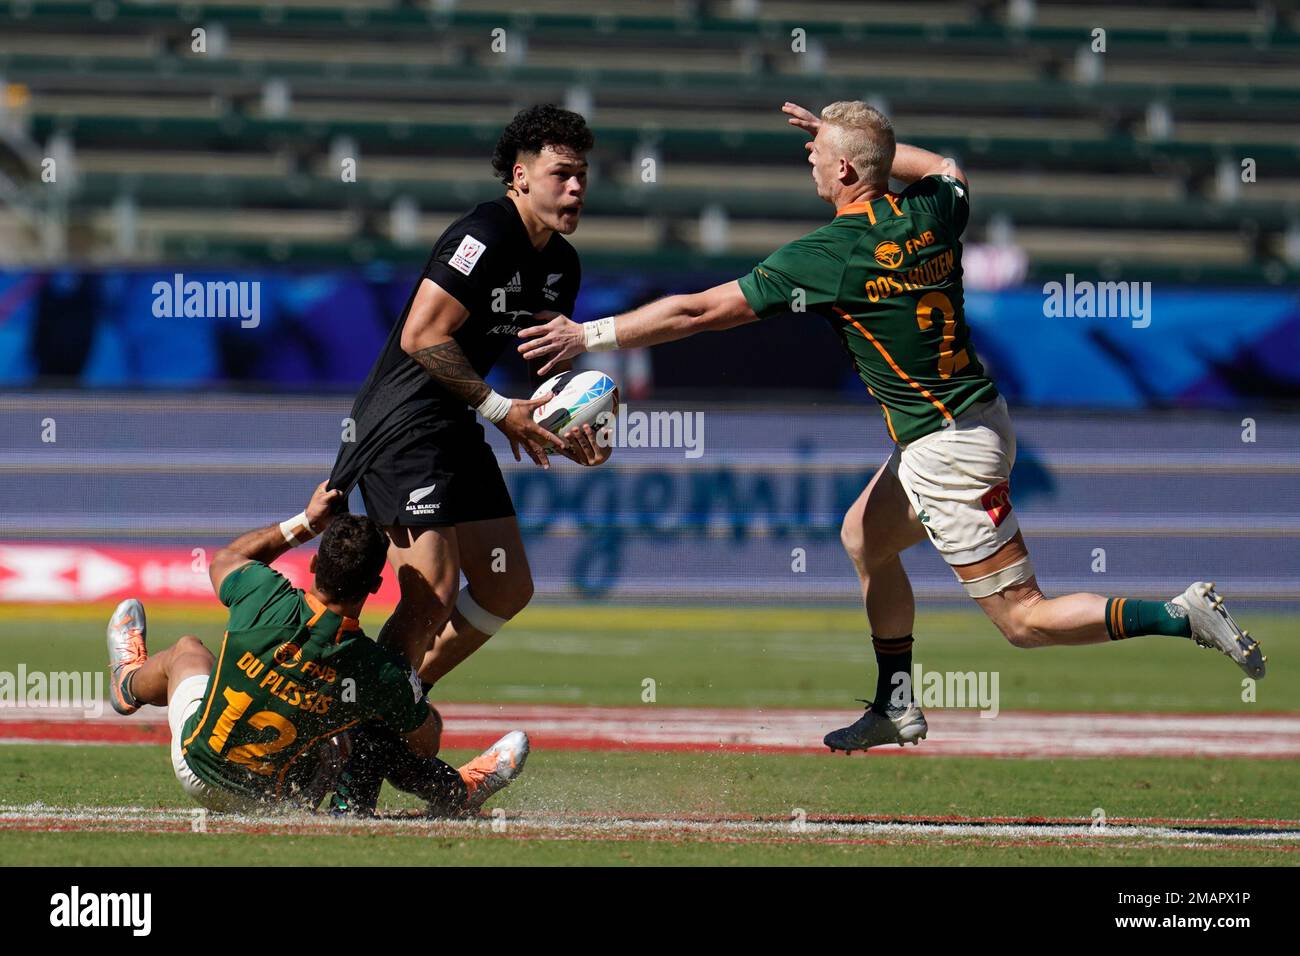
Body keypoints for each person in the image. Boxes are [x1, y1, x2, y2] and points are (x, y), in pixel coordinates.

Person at [517, 100, 1266, 753]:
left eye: (817, 153)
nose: (808, 159)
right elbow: (942, 163)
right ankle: (897, 703)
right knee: (862, 536)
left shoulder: (831, 254)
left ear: (846, 172)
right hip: (969, 419)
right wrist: (852, 139)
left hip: (949, 451)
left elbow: (698, 311)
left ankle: (1178, 615)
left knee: (1023, 620)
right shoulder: (934, 210)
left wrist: (590, 335)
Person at [327, 104, 609, 691]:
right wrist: (502, 411)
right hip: (401, 424)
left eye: (582, 173)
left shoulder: (560, 265)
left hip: (458, 421)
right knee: (432, 587)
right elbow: (422, 334)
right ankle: (359, 730)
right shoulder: (485, 233)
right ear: (521, 176)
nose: (576, 186)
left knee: (508, 587)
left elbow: (550, 382)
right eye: (562, 173)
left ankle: (389, 703)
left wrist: (577, 434)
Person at [105, 481, 527, 813]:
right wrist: (412, 697)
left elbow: (225, 560)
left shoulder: (262, 596)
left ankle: (129, 683)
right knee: (370, 729)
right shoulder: (375, 670)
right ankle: (455, 791)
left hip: (195, 767)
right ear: (376, 588)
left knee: (187, 650)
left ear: (312, 564)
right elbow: (426, 742)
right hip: (283, 799)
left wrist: (306, 522)